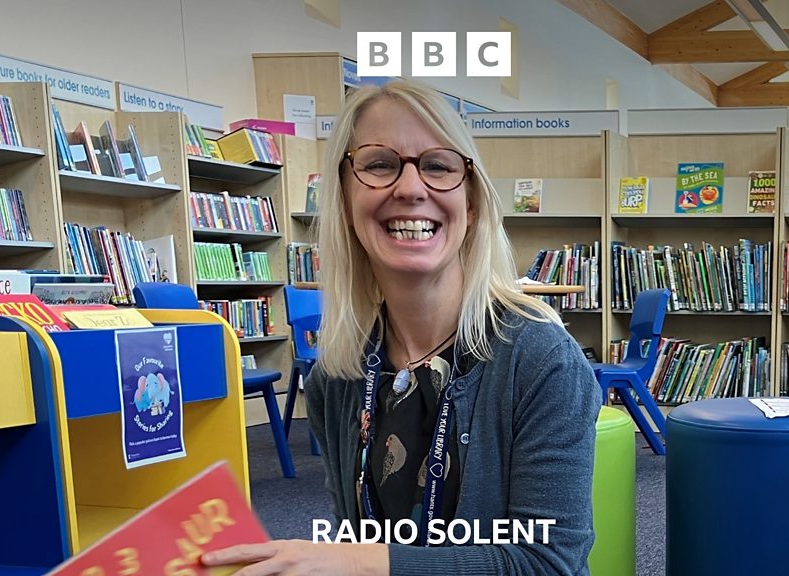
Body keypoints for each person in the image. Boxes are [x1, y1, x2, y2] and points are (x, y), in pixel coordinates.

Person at [202, 81, 601, 574]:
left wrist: (361, 564)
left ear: (471, 203)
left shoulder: (539, 358)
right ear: (345, 202)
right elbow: (354, 535)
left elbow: (548, 562)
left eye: (438, 166)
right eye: (378, 164)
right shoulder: (337, 377)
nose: (411, 188)